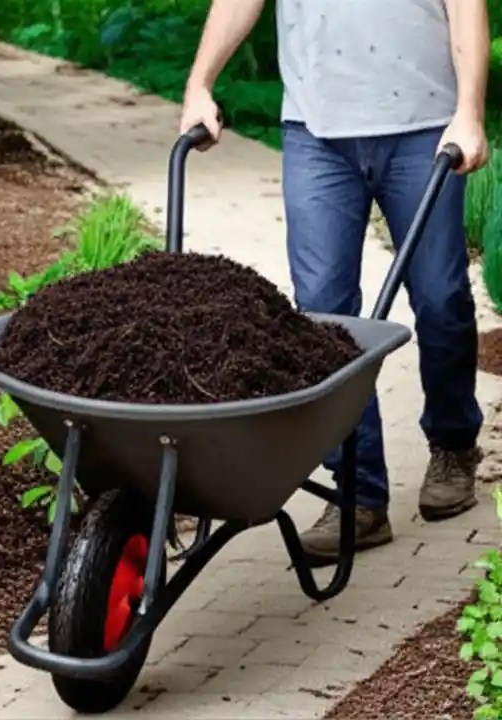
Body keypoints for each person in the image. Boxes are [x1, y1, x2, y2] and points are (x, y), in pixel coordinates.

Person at [180, 0, 489, 564]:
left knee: (441, 298)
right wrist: (200, 83)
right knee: (323, 316)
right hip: (316, 133)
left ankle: (453, 444)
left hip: (424, 126)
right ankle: (358, 494)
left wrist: (469, 111)